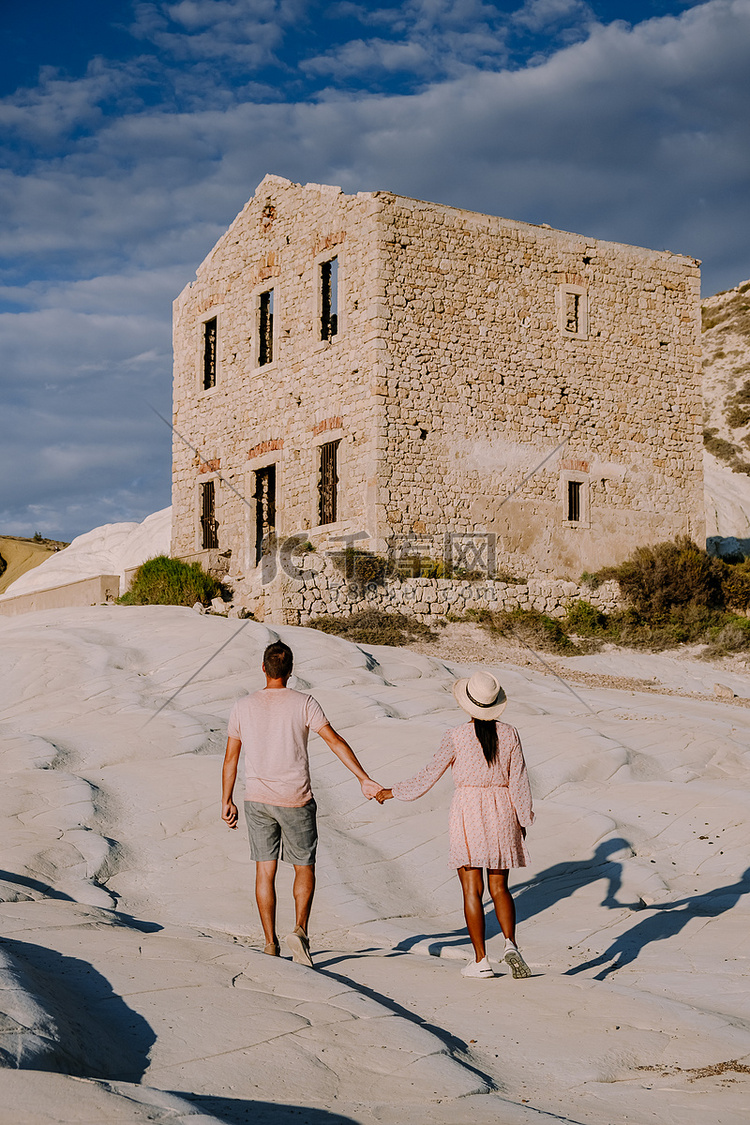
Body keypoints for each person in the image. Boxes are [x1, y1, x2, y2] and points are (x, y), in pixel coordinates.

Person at [221, 640, 383, 966]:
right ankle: (299, 930)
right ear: (291, 671)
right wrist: (363, 778)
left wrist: (226, 800)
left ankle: (269, 943)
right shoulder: (304, 702)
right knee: (303, 867)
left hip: (256, 800)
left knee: (264, 872)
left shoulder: (243, 706)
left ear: (264, 669)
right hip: (295, 799)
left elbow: (230, 760)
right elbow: (335, 741)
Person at [376, 669, 534, 979]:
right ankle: (510, 943)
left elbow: (429, 773)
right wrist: (523, 819)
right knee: (500, 887)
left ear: (468, 704)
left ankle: (480, 960)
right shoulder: (511, 734)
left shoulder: (456, 736)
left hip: (469, 812)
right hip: (502, 810)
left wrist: (392, 791)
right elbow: (520, 780)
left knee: (471, 890)